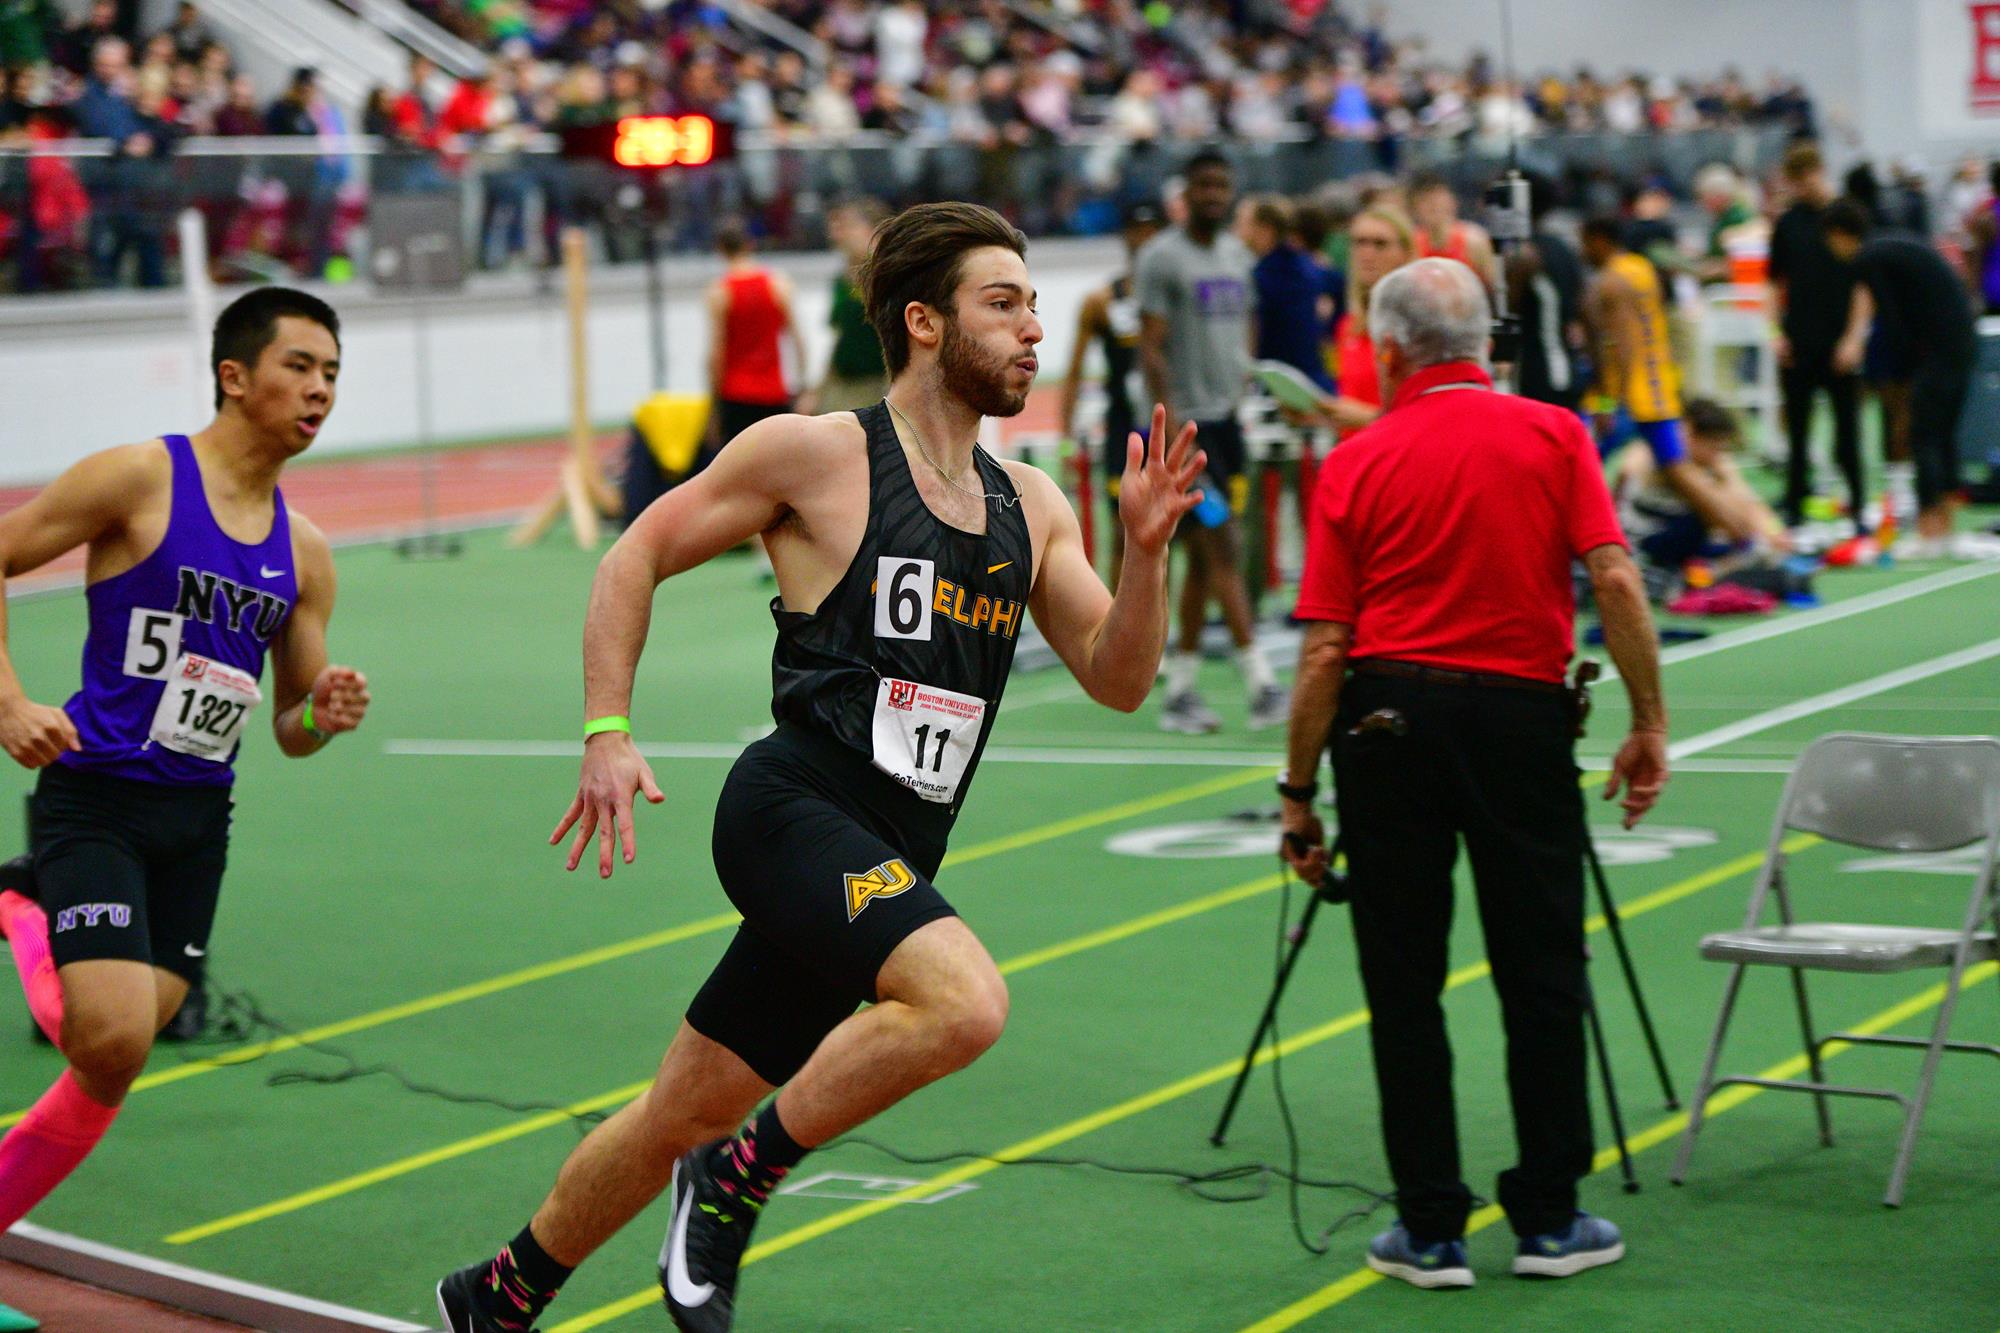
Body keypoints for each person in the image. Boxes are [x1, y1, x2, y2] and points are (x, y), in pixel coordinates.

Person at [433, 202, 1206, 1333]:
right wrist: (607, 727)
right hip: (791, 809)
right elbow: (635, 550)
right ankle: (735, 1183)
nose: (1034, 327)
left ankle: (494, 1297)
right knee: (964, 1004)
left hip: (883, 856)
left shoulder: (1028, 504)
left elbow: (1117, 674)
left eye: (1035, 303)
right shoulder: (816, 452)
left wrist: (1143, 557)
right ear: (925, 323)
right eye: (1005, 303)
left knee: (675, 1112)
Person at [1280, 257, 1669, 1292]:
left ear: (1390, 350)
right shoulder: (1553, 432)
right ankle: (1547, 1216)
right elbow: (1615, 576)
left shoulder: (1355, 458)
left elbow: (1324, 647)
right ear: (1484, 343)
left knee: (1402, 984)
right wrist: (1647, 719)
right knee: (1542, 972)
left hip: (1387, 723)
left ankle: (1430, 1228)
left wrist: (1295, 792)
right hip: (1519, 724)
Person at [0, 288, 370, 1248]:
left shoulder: (307, 552)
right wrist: (7, 701)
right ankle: (25, 900)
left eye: (332, 373)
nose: (320, 388)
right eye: (300, 365)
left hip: (199, 820)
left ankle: (21, 907)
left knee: (113, 1059)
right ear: (234, 375)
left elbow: (288, 722)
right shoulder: (138, 479)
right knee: (112, 1033)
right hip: (99, 798)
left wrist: (318, 713)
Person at [1136, 149, 1287, 735]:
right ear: (1188, 191)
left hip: (1229, 423)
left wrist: (1244, 377)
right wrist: (1168, 426)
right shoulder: (1160, 258)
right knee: (1224, 547)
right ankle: (1262, 686)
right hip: (1188, 427)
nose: (1213, 194)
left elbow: (1246, 321)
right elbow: (1150, 346)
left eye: (1222, 185)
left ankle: (1180, 693)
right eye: (1203, 185)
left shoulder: (1235, 256)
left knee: (1204, 562)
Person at [1823, 199, 1979, 557]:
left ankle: (1929, 531)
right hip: (1961, 340)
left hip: (1940, 350)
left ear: (1839, 236)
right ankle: (1945, 526)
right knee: (1941, 434)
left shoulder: (1869, 259)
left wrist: (1899, 375)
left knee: (1921, 434)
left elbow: (1893, 321)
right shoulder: (1892, 245)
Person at [1058, 199, 1163, 590]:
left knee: (1191, 533)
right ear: (1127, 239)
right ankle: (1113, 620)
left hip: (1176, 420)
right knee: (1123, 530)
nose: (1147, 240)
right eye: (1139, 232)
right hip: (1125, 429)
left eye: (1154, 232)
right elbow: (1073, 373)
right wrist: (1067, 439)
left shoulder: (1177, 295)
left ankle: (1181, 634)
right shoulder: (1102, 301)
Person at [1768, 143, 1866, 532]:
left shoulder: (1849, 217)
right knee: (1797, 432)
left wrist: (1854, 338)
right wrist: (1774, 332)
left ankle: (1858, 508)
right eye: (1794, 182)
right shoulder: (1788, 223)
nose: (1801, 188)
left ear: (1820, 170)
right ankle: (1795, 505)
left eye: (1805, 178)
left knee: (1849, 431)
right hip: (1798, 343)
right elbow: (1773, 284)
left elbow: (1865, 283)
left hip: (1840, 342)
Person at [1616, 397, 1789, 572]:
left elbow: (1747, 498)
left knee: (1726, 514)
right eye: (1714, 447)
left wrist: (1774, 530)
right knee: (1712, 516)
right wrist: (1755, 538)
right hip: (1643, 541)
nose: (1718, 455)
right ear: (1690, 433)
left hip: (1667, 530)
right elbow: (1734, 523)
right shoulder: (1661, 453)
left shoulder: (1706, 459)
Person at [1580, 216, 1688, 468]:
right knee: (1677, 469)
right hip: (1659, 394)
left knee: (1583, 464)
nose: (1583, 251)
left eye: (1585, 243)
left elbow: (1621, 345)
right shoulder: (1643, 269)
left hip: (1623, 399)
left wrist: (1609, 402)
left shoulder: (1609, 282)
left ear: (1599, 241)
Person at [1306, 203, 1414, 437]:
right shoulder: (1349, 326)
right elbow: (1350, 403)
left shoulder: (1418, 326)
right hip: (1355, 459)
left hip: (1397, 459)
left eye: (1380, 244)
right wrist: (1315, 414)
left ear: (1405, 252)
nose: (1367, 252)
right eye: (1360, 242)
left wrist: (1369, 419)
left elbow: (1432, 416)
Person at [705, 223, 805, 462]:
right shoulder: (779, 284)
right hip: (774, 392)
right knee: (780, 467)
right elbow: (798, 340)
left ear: (720, 250)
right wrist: (802, 386)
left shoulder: (719, 292)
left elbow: (715, 354)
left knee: (739, 470)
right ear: (750, 245)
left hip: (736, 393)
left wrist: (713, 407)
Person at [796, 197, 889, 416]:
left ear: (874, 231)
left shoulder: (890, 278)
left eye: (848, 226)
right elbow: (840, 337)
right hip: (845, 384)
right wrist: (816, 391)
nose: (837, 235)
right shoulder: (842, 280)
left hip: (879, 384)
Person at [1408, 171, 1497, 288]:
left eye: (1437, 200)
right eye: (1424, 201)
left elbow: (1495, 285)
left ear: (1452, 202)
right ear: (1414, 209)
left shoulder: (1474, 240)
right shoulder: (1413, 243)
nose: (1432, 205)